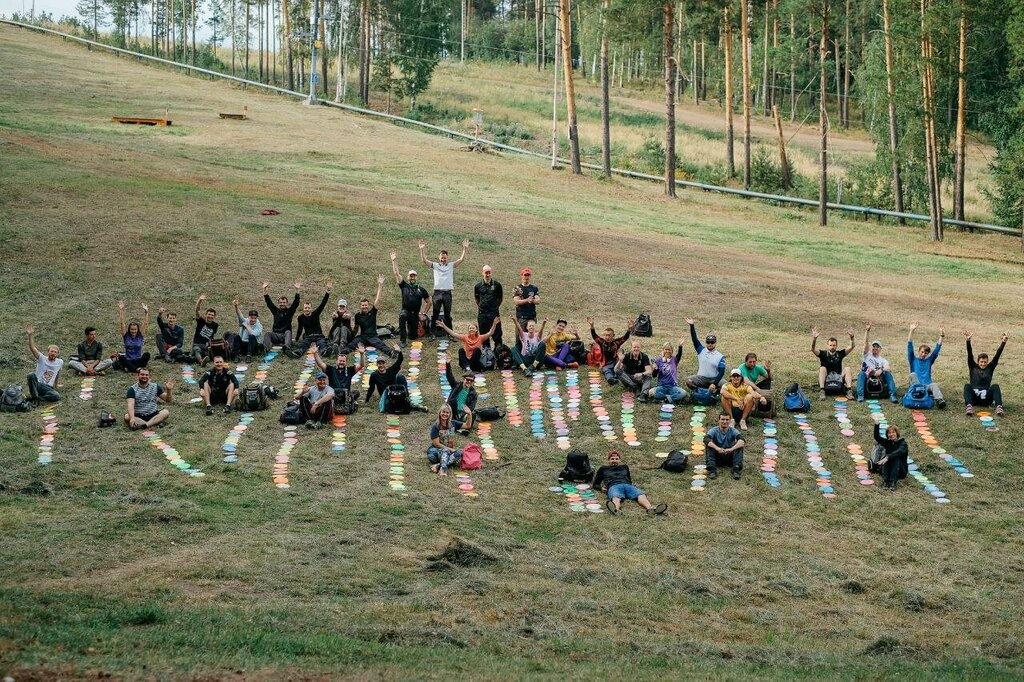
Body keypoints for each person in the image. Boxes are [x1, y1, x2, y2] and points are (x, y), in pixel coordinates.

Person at [592, 450, 667, 516]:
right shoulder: (603, 469)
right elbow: (595, 484)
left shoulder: (625, 467)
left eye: (616, 459)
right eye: (612, 459)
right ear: (608, 460)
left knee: (640, 494)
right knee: (616, 497)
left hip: (627, 485)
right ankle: (616, 509)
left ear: (619, 460)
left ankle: (650, 509)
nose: (614, 460)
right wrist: (601, 488)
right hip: (614, 486)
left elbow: (629, 479)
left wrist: (629, 487)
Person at [420, 238, 469, 336]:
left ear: (447, 258)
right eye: (441, 258)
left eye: (445, 258)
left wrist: (464, 248)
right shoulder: (435, 265)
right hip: (437, 293)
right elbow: (424, 260)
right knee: (435, 314)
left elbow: (461, 259)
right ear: (439, 258)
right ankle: (432, 333)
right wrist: (422, 249)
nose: (443, 259)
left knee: (447, 314)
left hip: (447, 293)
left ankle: (450, 334)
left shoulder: (451, 265)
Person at [345, 276, 398, 358]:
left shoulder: (373, 312)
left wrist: (380, 285)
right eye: (363, 305)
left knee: (381, 345)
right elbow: (356, 328)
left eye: (366, 305)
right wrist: (352, 337)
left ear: (368, 305)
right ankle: (342, 353)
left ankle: (391, 353)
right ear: (360, 306)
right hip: (363, 337)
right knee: (352, 344)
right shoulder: (357, 315)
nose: (364, 307)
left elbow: (378, 299)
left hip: (373, 336)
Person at [390, 251, 432, 347]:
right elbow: (396, 273)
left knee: (413, 337)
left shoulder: (421, 289)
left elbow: (429, 302)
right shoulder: (404, 285)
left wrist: (424, 313)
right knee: (402, 316)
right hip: (406, 311)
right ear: (408, 277)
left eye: (414, 276)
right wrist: (394, 261)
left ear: (416, 277)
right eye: (410, 276)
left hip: (415, 314)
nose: (412, 277)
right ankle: (403, 340)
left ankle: (414, 333)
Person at [963, 330, 1007, 416]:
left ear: (987, 362)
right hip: (974, 398)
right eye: (981, 362)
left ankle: (999, 407)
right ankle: (969, 406)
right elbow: (970, 354)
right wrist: (968, 341)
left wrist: (1003, 342)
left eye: (985, 362)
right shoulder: (973, 367)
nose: (983, 364)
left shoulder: (990, 368)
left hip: (986, 399)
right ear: (978, 361)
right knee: (967, 386)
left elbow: (997, 355)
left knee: (995, 386)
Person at [856, 322, 898, 403]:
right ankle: (860, 395)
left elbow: (888, 367)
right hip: (868, 376)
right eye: (873, 346)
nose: (875, 348)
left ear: (880, 349)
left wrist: (881, 370)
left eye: (877, 346)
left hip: (879, 378)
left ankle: (892, 395)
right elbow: (865, 343)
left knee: (888, 373)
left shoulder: (883, 360)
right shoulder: (867, 355)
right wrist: (867, 331)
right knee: (862, 373)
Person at [907, 322, 946, 409]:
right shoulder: (913, 359)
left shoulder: (929, 361)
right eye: (922, 352)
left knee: (934, 385)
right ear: (919, 352)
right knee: (912, 375)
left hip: (926, 386)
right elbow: (909, 345)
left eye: (926, 353)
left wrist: (941, 336)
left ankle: (939, 400)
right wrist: (911, 330)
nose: (923, 354)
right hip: (915, 386)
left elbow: (937, 349)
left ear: (928, 354)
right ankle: (918, 394)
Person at [811, 327, 855, 399]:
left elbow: (852, 346)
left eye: (834, 345)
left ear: (836, 346)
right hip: (827, 377)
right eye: (830, 345)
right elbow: (812, 349)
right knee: (822, 368)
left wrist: (852, 337)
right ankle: (822, 391)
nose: (832, 347)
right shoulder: (823, 353)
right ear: (827, 345)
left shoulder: (840, 353)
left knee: (847, 368)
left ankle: (849, 391)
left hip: (838, 377)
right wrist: (814, 339)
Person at [290, 282, 332, 357]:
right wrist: (296, 339)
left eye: (308, 308)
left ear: (311, 309)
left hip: (319, 336)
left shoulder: (316, 313)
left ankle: (325, 352)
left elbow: (323, 303)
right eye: (305, 308)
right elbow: (300, 329)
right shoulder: (300, 317)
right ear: (303, 309)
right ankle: (296, 353)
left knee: (322, 344)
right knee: (303, 344)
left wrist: (328, 290)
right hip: (308, 337)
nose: (307, 309)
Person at [684, 319, 726, 395]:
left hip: (714, 379)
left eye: (712, 342)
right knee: (688, 382)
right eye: (708, 342)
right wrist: (692, 326)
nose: (710, 344)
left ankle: (715, 391)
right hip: (701, 378)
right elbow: (694, 339)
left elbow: (721, 372)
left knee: (726, 385)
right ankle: (700, 391)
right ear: (706, 342)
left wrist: (714, 383)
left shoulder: (721, 356)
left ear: (715, 343)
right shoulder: (701, 350)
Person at [588, 317, 633, 384]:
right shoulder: (602, 342)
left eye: (609, 335)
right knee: (606, 370)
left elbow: (625, 337)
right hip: (606, 364)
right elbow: (594, 336)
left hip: (615, 361)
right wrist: (592, 326)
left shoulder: (616, 342)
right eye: (606, 335)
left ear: (613, 335)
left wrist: (629, 329)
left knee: (619, 369)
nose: (607, 337)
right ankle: (611, 379)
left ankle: (618, 377)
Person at [25, 324, 62, 404]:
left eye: (55, 352)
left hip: (48, 388)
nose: (53, 353)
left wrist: (56, 385)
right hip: (37, 384)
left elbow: (57, 373)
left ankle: (36, 398)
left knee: (56, 396)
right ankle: (36, 397)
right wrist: (30, 335)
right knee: (31, 375)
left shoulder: (60, 362)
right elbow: (32, 348)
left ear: (57, 354)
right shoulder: (42, 358)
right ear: (48, 352)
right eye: (51, 351)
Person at [703, 412, 745, 480]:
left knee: (739, 446)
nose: (725, 422)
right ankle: (712, 470)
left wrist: (731, 449)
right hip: (717, 457)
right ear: (718, 420)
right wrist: (717, 448)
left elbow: (742, 441)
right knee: (709, 445)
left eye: (727, 419)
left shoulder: (733, 430)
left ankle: (736, 470)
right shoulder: (714, 430)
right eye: (722, 419)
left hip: (730, 457)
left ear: (730, 421)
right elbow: (706, 439)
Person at [645, 339, 688, 404]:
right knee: (650, 392)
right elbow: (654, 376)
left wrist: (680, 346)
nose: (667, 351)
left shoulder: (674, 360)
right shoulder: (658, 361)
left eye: (669, 350)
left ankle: (664, 399)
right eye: (666, 349)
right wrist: (655, 369)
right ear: (663, 350)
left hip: (673, 387)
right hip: (661, 386)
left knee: (683, 393)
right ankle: (671, 398)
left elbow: (679, 354)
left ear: (672, 351)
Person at [262, 280, 301, 351]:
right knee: (267, 334)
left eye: (284, 302)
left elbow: (296, 303)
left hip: (285, 336)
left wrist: (297, 290)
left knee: (288, 332)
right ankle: (265, 348)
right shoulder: (275, 311)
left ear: (287, 303)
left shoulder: (290, 311)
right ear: (278, 303)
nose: (282, 304)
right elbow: (268, 302)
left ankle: (286, 348)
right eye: (281, 302)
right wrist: (264, 290)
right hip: (276, 335)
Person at [427, 405, 466, 476]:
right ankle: (443, 469)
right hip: (434, 452)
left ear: (450, 414)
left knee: (460, 452)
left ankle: (438, 465)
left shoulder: (453, 423)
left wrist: (469, 414)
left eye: (447, 412)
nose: (445, 414)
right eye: (443, 412)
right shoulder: (436, 426)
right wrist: (451, 449)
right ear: (440, 413)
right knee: (446, 451)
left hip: (447, 453)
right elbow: (436, 444)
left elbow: (467, 425)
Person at [114, 301, 151, 373]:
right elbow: (122, 323)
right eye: (132, 329)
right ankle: (138, 369)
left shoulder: (140, 336)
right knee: (121, 357)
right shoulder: (126, 335)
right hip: (128, 360)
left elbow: (145, 324)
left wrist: (146, 312)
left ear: (137, 330)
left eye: (135, 329)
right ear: (129, 329)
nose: (133, 331)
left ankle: (130, 368)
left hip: (138, 360)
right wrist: (121, 311)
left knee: (147, 354)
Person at [474, 265, 504, 348]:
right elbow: (477, 299)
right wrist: (482, 307)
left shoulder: (497, 285)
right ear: (482, 273)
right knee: (484, 335)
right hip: (482, 314)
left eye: (489, 273)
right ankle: (487, 354)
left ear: (491, 273)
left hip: (494, 313)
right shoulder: (478, 286)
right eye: (486, 273)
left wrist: (494, 308)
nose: (487, 275)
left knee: (497, 334)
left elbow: (500, 299)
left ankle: (498, 353)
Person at [872, 423, 909, 491]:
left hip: (900, 471)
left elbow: (899, 451)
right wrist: (876, 424)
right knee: (888, 458)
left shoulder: (903, 443)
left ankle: (892, 482)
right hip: (888, 469)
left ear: (897, 433)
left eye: (893, 432)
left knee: (895, 457)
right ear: (887, 435)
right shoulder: (887, 442)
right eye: (889, 433)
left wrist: (887, 457)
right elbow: (877, 437)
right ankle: (886, 481)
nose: (891, 434)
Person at [443, 362, 478, 430]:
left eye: (471, 380)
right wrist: (448, 364)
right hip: (452, 411)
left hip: (462, 414)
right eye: (467, 379)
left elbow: (471, 407)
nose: (469, 382)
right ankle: (457, 425)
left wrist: (465, 413)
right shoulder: (456, 385)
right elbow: (449, 376)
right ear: (463, 379)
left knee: (473, 414)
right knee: (453, 402)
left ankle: (458, 425)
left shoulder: (474, 394)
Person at [191, 293, 220, 365]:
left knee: (210, 353)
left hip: (206, 346)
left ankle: (201, 357)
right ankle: (201, 361)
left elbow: (212, 337)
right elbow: (197, 310)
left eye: (212, 315)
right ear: (206, 314)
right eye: (209, 314)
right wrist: (200, 300)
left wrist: (210, 344)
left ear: (214, 317)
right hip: (197, 344)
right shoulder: (201, 321)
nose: (210, 316)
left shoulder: (215, 325)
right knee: (197, 350)